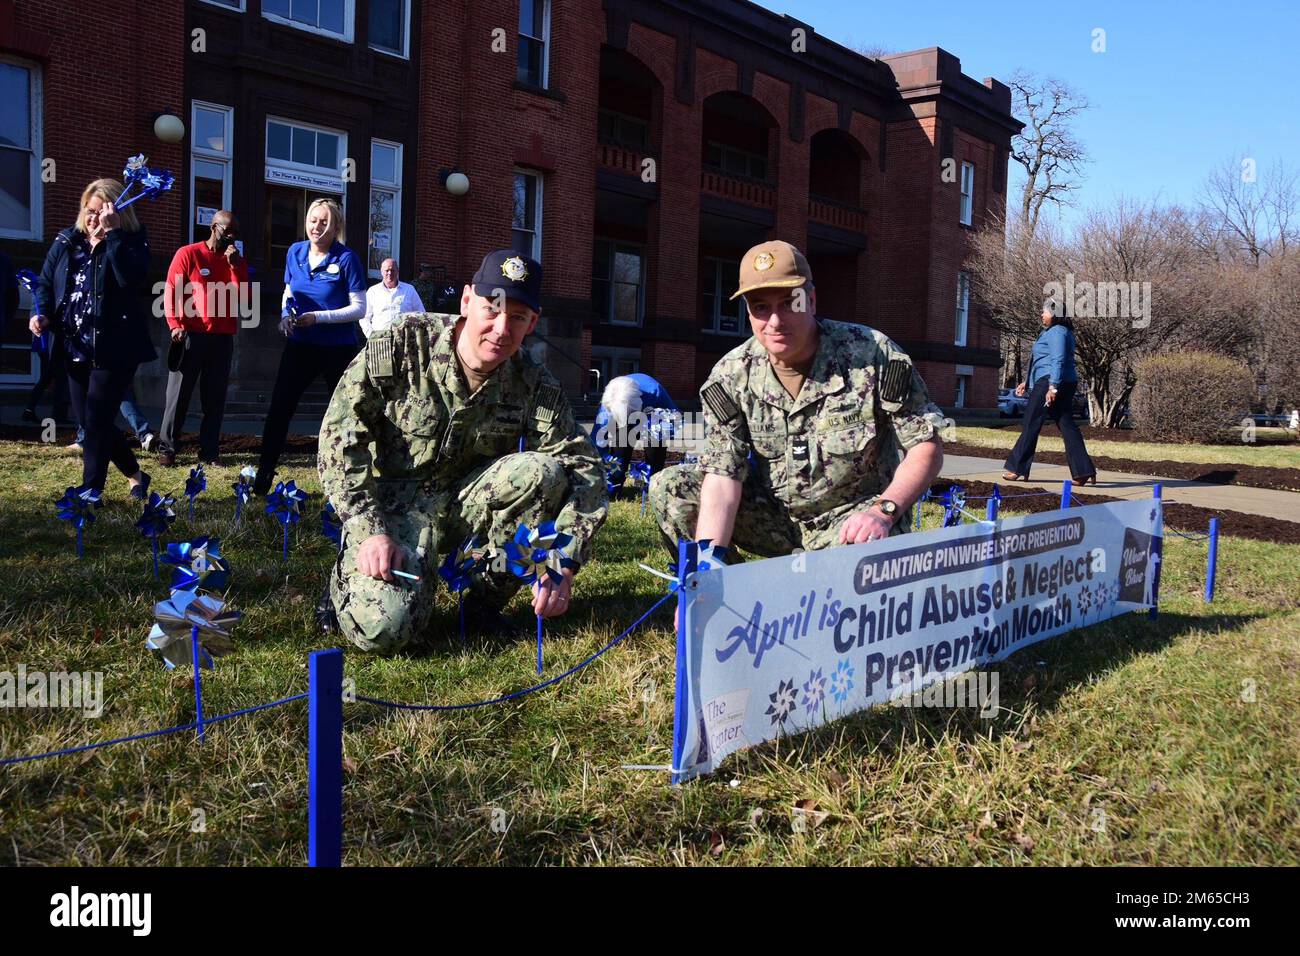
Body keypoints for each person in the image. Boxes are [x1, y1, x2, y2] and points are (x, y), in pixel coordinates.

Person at [318, 250, 608, 654]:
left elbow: (585, 470)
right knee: (386, 629)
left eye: (518, 318)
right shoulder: (404, 345)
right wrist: (368, 531)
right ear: (467, 301)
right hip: (391, 510)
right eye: (492, 309)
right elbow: (340, 438)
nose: (501, 329)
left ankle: (483, 604)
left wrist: (565, 560)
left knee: (544, 474)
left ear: (533, 324)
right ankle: (345, 586)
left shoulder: (532, 383)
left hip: (462, 506)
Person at [649, 240, 945, 559]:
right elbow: (723, 476)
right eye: (761, 307)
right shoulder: (730, 376)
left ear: (812, 301)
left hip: (855, 522)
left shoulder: (871, 354)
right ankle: (731, 594)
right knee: (671, 487)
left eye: (790, 303)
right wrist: (705, 574)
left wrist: (883, 511)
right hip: (776, 519)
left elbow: (926, 445)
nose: (775, 321)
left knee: (859, 567)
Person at [28, 179, 155, 498]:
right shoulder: (67, 241)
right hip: (74, 345)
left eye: (101, 211)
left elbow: (131, 279)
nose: (93, 217)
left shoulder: (130, 240)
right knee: (89, 419)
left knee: (97, 418)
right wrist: (41, 313)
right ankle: (136, 474)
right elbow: (44, 282)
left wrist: (113, 235)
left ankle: (90, 492)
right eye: (89, 210)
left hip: (115, 348)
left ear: (117, 213)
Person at [253, 198, 366, 496]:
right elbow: (289, 292)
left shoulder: (347, 259)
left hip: (338, 349)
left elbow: (359, 309)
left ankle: (347, 480)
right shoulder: (295, 251)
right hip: (300, 346)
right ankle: (264, 474)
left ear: (336, 227)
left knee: (343, 416)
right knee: (279, 408)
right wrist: (284, 317)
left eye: (325, 222)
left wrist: (318, 317)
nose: (317, 227)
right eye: (313, 220)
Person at [157, 210, 249, 467]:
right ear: (213, 227)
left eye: (235, 233)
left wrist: (233, 267)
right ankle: (168, 448)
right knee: (179, 396)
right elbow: (172, 291)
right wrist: (175, 324)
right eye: (226, 230)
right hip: (190, 336)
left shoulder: (237, 262)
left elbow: (243, 299)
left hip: (221, 339)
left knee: (215, 398)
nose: (231, 237)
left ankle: (209, 452)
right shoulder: (188, 254)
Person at [1002, 304, 1096, 485]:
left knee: (1031, 422)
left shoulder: (1058, 332)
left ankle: (1017, 468)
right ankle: (1083, 471)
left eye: (1044, 311)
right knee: (1066, 423)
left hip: (1051, 382)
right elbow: (1041, 361)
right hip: (1053, 380)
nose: (1041, 314)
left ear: (1055, 314)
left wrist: (1052, 387)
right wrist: (1027, 382)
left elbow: (1057, 360)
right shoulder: (1053, 332)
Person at [594, 373, 678, 485]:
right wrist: (600, 459)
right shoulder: (609, 402)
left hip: (653, 418)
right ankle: (614, 483)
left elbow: (675, 418)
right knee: (620, 443)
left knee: (654, 444)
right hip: (622, 419)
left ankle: (652, 483)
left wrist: (657, 429)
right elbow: (597, 439)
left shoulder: (655, 391)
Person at [362, 257, 425, 338]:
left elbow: (421, 314)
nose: (389, 273)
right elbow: (364, 317)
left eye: (392, 270)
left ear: (397, 271)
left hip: (404, 341)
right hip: (379, 340)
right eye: (386, 270)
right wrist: (370, 335)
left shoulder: (409, 290)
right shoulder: (373, 291)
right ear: (381, 271)